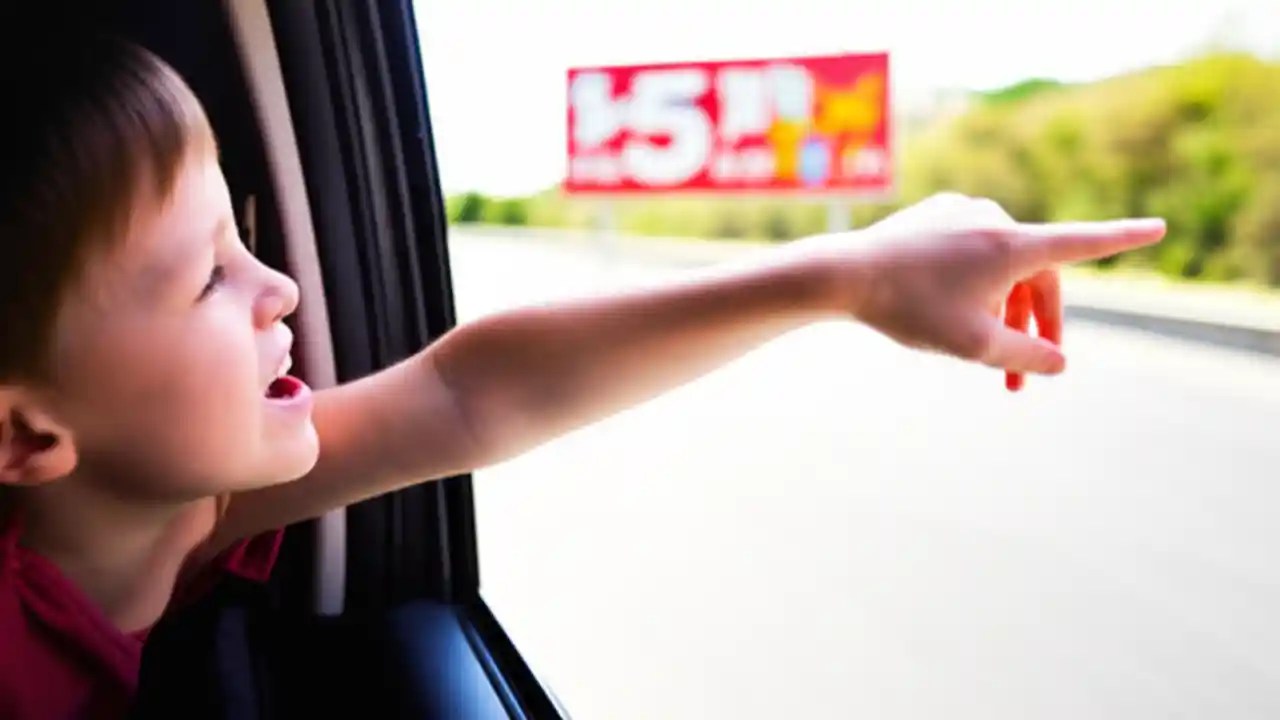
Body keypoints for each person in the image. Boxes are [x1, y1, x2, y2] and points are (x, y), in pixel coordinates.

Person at [0, 31, 1164, 720]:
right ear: (22, 436)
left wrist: (850, 275)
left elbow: (467, 394)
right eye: (207, 279)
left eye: (247, 236)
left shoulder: (166, 510)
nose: (283, 291)